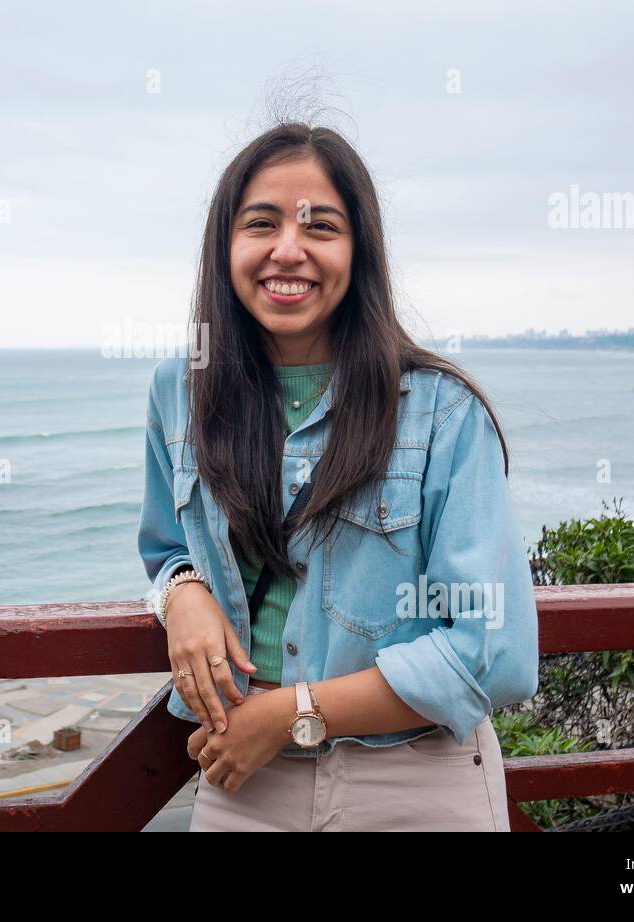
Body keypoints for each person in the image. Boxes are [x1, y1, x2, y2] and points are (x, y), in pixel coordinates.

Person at [138, 121, 540, 832]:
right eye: (260, 223)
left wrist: (294, 715)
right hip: (245, 782)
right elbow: (167, 546)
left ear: (359, 252)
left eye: (320, 226)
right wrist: (182, 592)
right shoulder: (182, 391)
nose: (286, 250)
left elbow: (494, 653)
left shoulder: (441, 413)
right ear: (224, 246)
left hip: (416, 781)